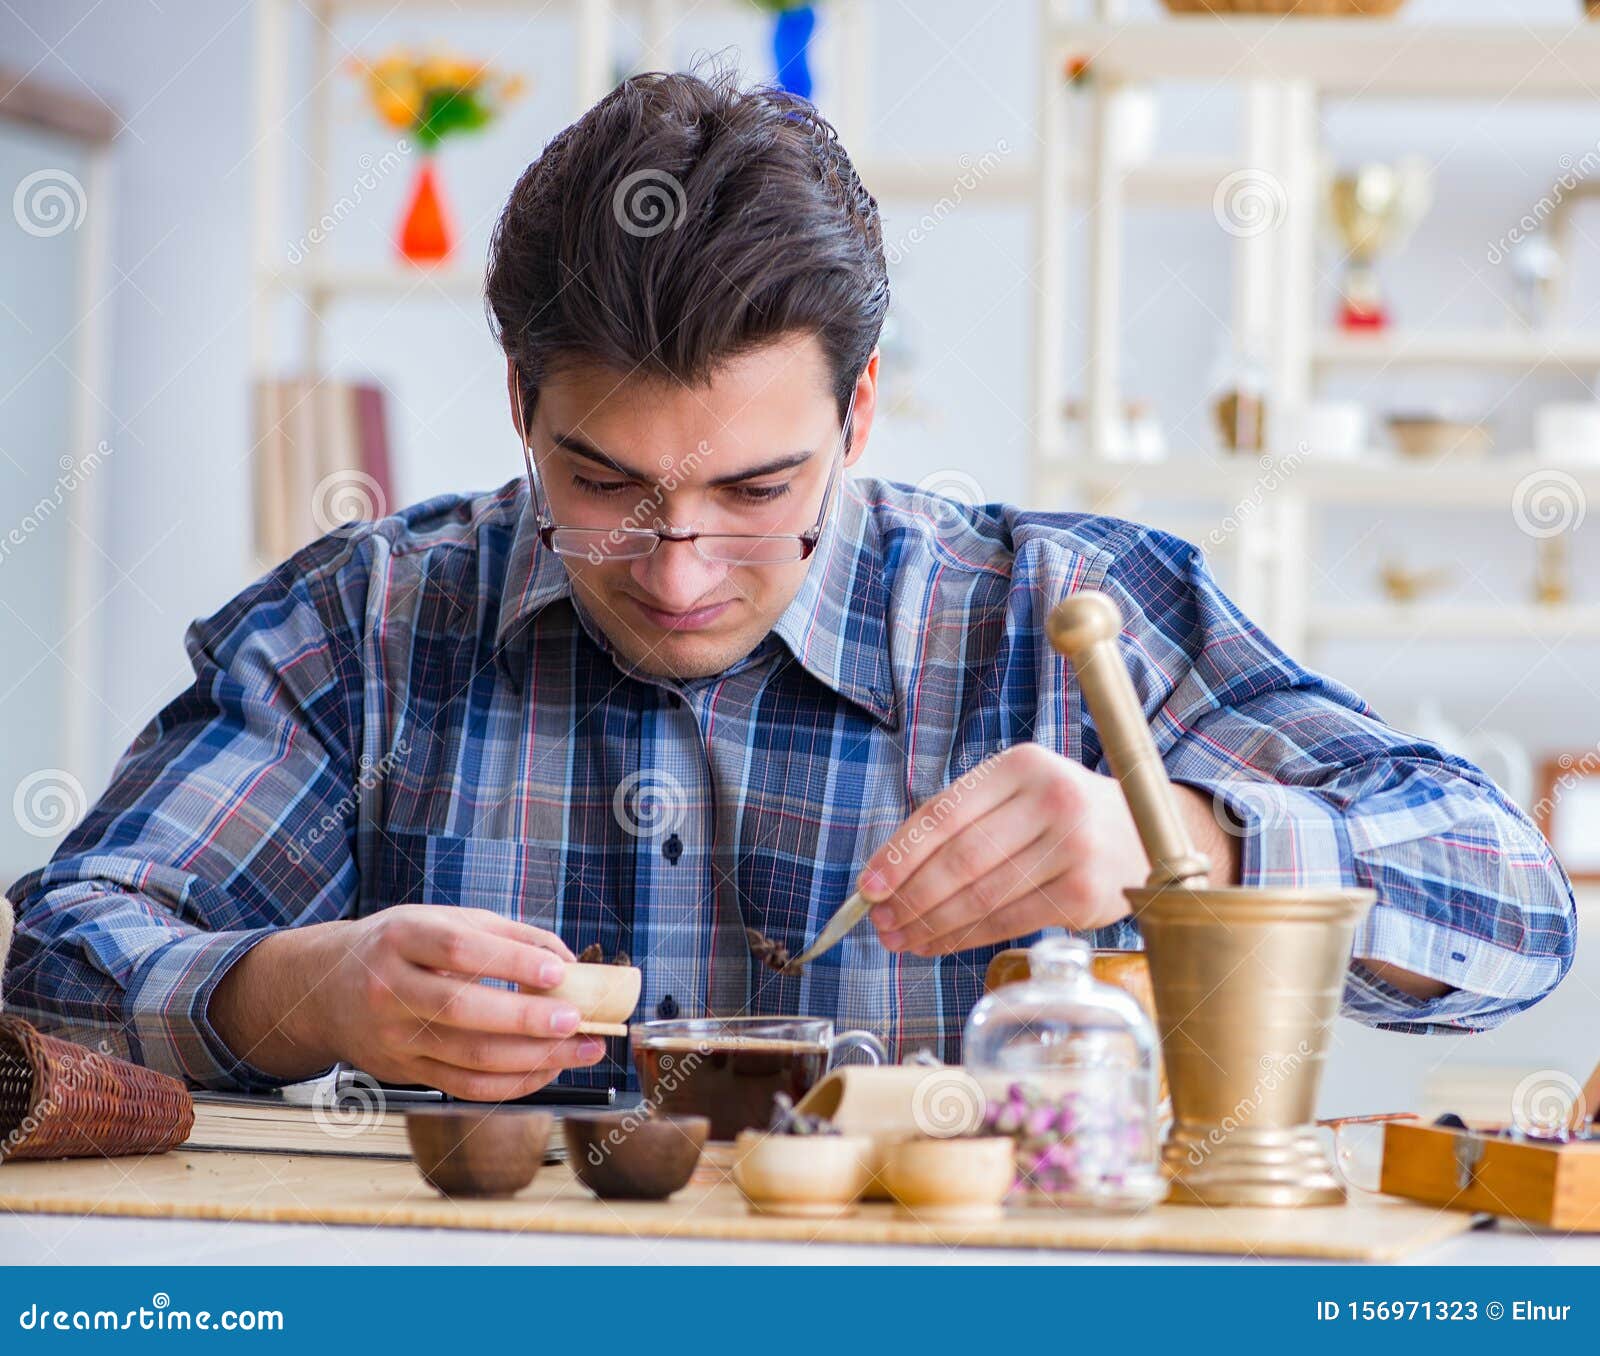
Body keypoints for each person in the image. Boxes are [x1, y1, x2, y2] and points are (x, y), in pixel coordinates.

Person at [3, 71, 1575, 1100]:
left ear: (862, 413)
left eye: (757, 491)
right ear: (517, 407)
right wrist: (307, 991)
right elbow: (56, 976)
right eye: (604, 485)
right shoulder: (376, 620)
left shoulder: (1065, 613)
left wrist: (1185, 839)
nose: (679, 570)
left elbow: (1516, 907)